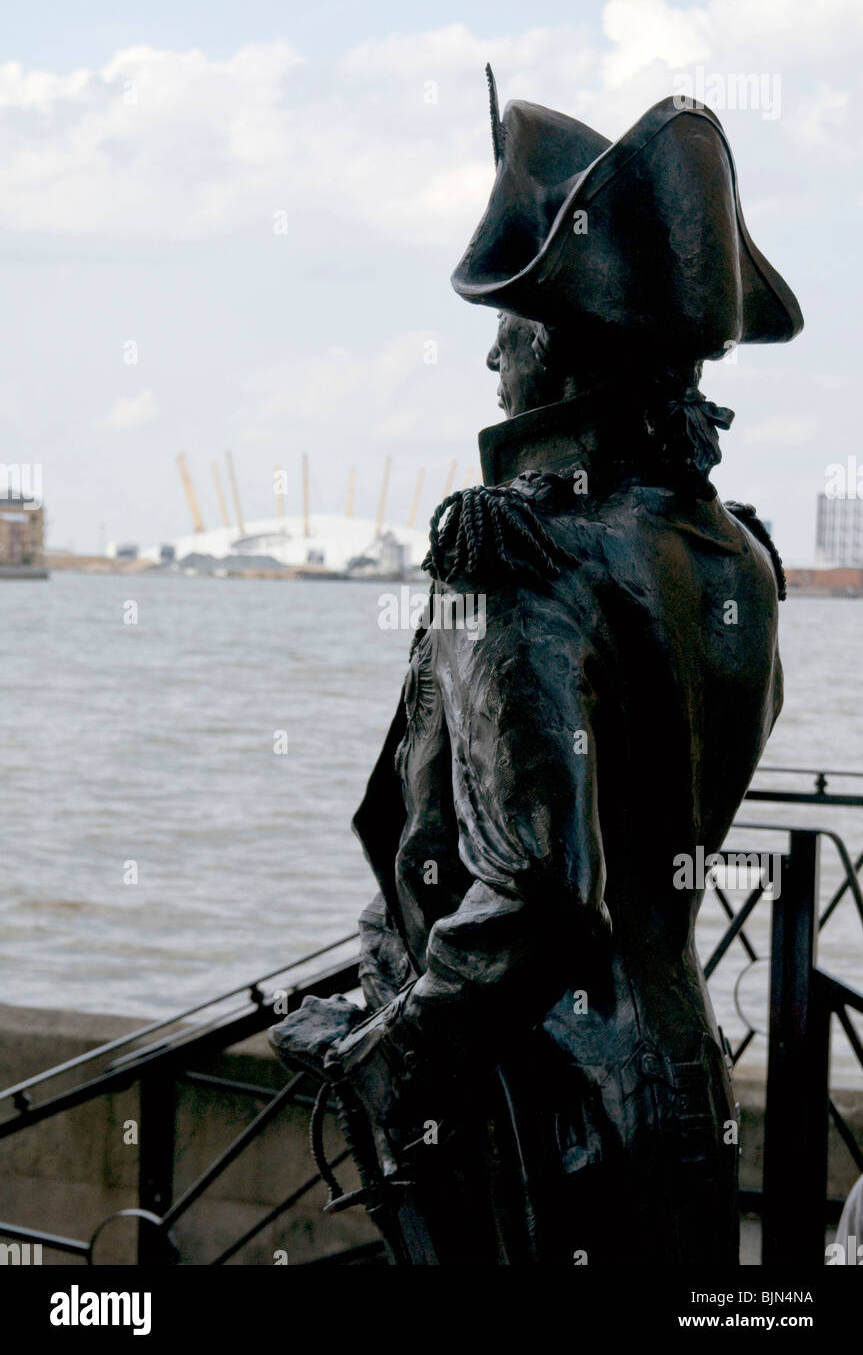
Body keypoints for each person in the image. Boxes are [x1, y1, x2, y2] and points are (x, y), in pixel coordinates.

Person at [271, 73, 803, 1265]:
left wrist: (374, 1048)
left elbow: (539, 892)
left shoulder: (515, 557)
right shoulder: (739, 554)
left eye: (505, 328)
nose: (491, 364)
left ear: (559, 352)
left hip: (536, 1111)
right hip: (674, 1075)